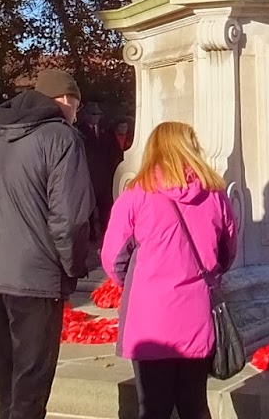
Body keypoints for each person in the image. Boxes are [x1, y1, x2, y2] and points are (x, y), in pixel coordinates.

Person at [0, 68, 94, 419]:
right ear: (66, 100)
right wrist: (70, 267)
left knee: (6, 381)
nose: (77, 114)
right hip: (37, 280)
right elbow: (69, 218)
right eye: (77, 106)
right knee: (32, 384)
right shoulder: (61, 138)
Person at [100, 122, 238, 419]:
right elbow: (227, 252)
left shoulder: (136, 196)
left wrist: (137, 283)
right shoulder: (215, 195)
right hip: (197, 313)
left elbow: (113, 258)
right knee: (194, 404)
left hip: (149, 317)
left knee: (152, 407)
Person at [78, 102, 124, 240]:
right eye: (93, 114)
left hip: (105, 177)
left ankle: (106, 234)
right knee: (90, 210)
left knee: (106, 208)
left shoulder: (105, 130)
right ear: (86, 116)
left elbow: (115, 151)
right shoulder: (80, 132)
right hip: (88, 177)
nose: (96, 117)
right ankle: (91, 234)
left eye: (98, 114)